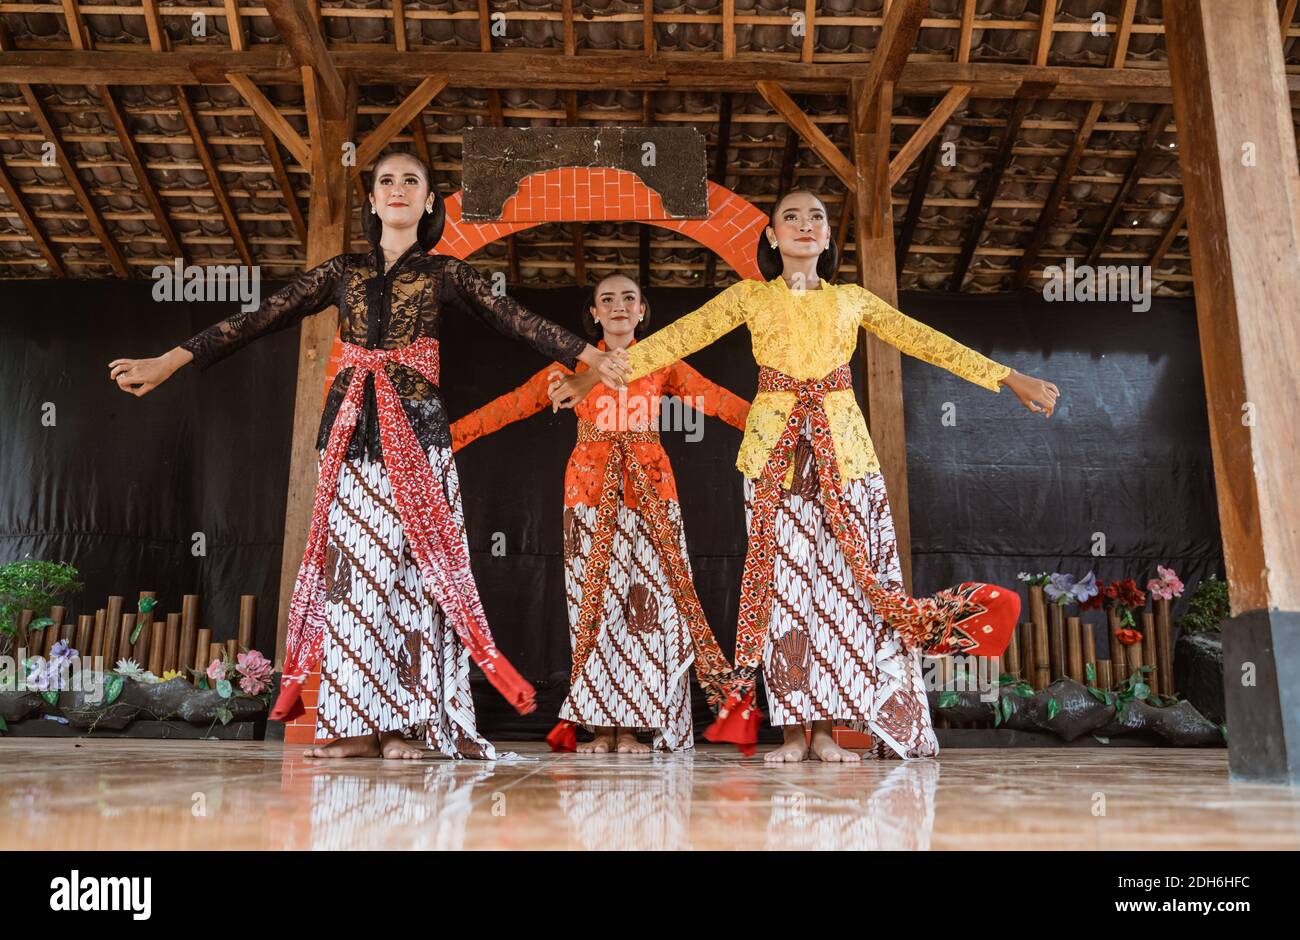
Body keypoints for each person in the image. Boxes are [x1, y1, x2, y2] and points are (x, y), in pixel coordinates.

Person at [108, 150, 626, 760]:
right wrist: (170, 360)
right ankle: (353, 724)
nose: (399, 189)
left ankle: (403, 727)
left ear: (429, 202)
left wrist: (590, 359)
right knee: (352, 580)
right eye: (387, 181)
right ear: (373, 201)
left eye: (413, 180)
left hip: (419, 440)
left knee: (413, 579)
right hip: (351, 436)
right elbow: (258, 318)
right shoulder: (340, 271)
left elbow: (516, 319)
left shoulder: (445, 274)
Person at [551, 190, 1056, 762]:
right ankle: (792, 732)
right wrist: (591, 379)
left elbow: (924, 339)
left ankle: (828, 732)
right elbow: (671, 341)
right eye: (790, 217)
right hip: (774, 455)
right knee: (783, 591)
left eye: (815, 216)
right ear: (771, 237)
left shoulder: (852, 300)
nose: (804, 224)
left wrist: (1007, 376)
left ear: (827, 236)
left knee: (843, 595)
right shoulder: (750, 297)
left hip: (845, 454)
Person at [451, 274, 750, 753]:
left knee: (646, 611)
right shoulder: (569, 366)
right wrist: (444, 438)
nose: (617, 306)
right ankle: (601, 727)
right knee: (593, 609)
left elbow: (714, 400)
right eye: (606, 299)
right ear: (593, 313)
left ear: (641, 311)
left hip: (652, 494)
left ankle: (633, 727)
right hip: (588, 495)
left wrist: (779, 422)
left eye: (627, 298)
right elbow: (508, 407)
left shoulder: (660, 361)